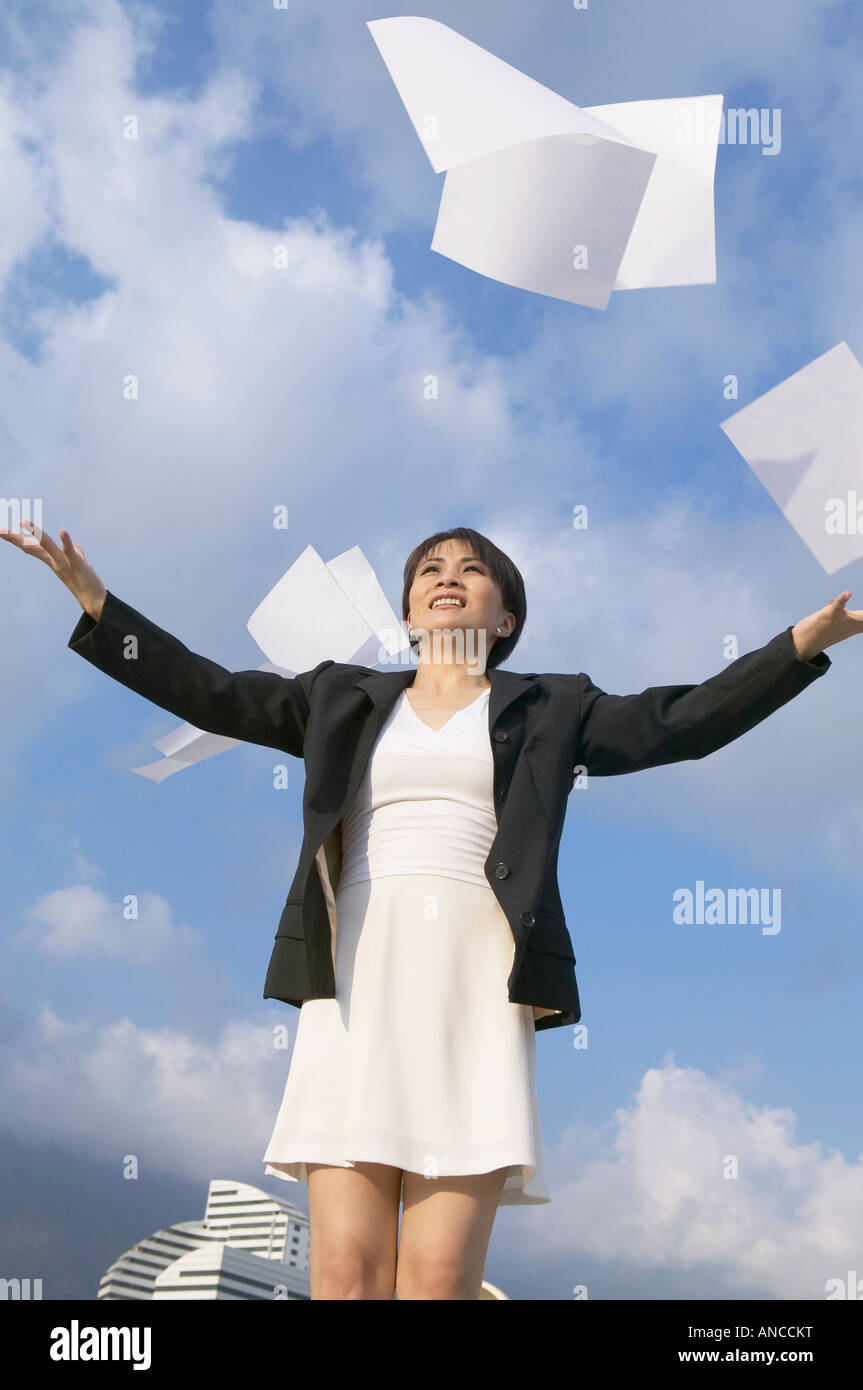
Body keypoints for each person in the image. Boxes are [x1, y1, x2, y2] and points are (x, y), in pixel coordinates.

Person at [2, 519, 858, 1300]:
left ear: (506, 616)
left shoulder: (553, 707)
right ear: (409, 611)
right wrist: (97, 604)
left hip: (475, 985)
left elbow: (680, 723)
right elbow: (215, 694)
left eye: (473, 569)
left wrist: (800, 645)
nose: (448, 577)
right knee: (345, 1278)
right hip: (355, 981)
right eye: (428, 570)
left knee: (438, 1280)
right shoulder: (339, 698)